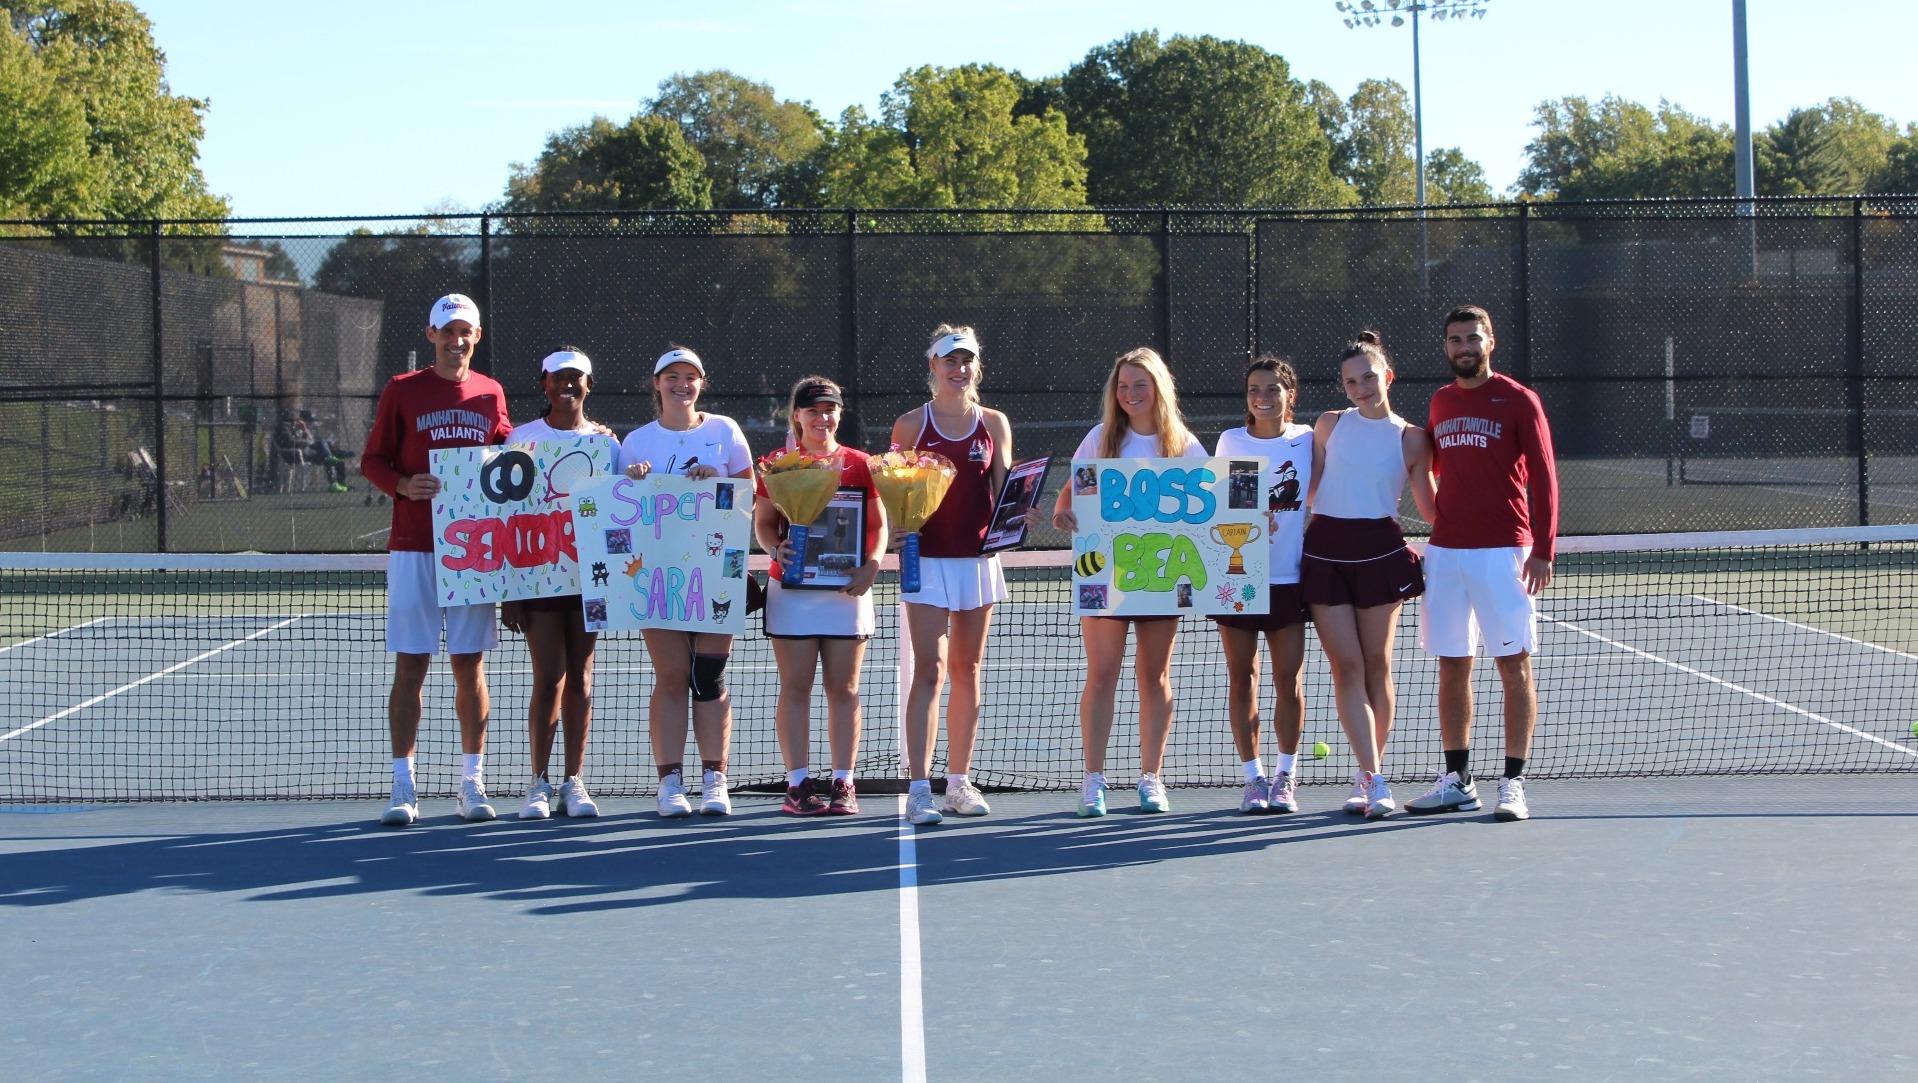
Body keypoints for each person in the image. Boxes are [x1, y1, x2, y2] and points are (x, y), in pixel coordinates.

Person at [361, 294, 512, 825]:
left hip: (473, 551)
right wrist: (402, 484)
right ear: (432, 335)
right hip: (413, 549)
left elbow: (513, 457)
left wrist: (581, 442)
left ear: (477, 335)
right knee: (412, 666)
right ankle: (403, 785)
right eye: (448, 331)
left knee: (470, 665)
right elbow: (371, 459)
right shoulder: (402, 391)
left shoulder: (491, 393)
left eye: (466, 330)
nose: (458, 339)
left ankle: (472, 782)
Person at [1405, 305, 1558, 822]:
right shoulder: (1441, 401)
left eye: (1472, 338)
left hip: (1504, 553)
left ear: (1490, 342)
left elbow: (1544, 476)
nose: (1463, 347)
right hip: (1446, 553)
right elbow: (1429, 465)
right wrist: (1431, 514)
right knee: (1452, 665)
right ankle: (1457, 778)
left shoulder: (1519, 400)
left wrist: (1543, 547)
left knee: (1512, 666)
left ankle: (1512, 783)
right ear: (1446, 347)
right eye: (1454, 340)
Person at [1050, 347, 1206, 817]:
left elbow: (1214, 502)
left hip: (1161, 577)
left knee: (1155, 676)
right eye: (1123, 386)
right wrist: (1061, 511)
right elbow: (1071, 490)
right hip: (1105, 575)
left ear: (1158, 388)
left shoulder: (1183, 445)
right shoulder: (1101, 439)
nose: (1131, 393)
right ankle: (1093, 781)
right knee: (1102, 675)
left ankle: (1150, 777)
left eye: (1140, 384)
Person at [888, 325, 1028, 827]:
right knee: (929, 670)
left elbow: (1005, 488)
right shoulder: (909, 425)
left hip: (977, 562)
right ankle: (920, 787)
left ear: (975, 366)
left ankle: (959, 783)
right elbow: (893, 493)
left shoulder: (994, 423)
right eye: (949, 360)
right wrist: (893, 536)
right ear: (934, 366)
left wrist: (1019, 515)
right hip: (925, 563)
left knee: (967, 671)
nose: (958, 369)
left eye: (966, 360)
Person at [1302, 332, 1436, 820]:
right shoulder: (1328, 425)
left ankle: (1369, 774)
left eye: (1369, 377)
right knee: (1347, 667)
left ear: (1388, 376)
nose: (1360, 387)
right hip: (1325, 553)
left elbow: (1432, 507)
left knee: (1378, 664)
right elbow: (1308, 490)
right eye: (1350, 381)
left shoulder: (1412, 437)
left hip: (1381, 552)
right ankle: (1373, 776)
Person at [621, 346, 755, 818]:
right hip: (657, 577)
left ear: (701, 383)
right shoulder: (635, 442)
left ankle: (715, 780)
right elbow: (621, 513)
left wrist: (714, 474)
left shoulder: (725, 431)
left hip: (717, 571)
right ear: (656, 383)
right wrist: (633, 480)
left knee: (709, 676)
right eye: (672, 376)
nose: (682, 385)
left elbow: (748, 494)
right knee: (672, 677)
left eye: (691, 377)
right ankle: (670, 784)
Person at [754, 376, 887, 816]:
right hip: (791, 589)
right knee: (795, 686)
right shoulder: (778, 464)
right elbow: (764, 523)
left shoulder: (862, 464)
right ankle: (797, 784)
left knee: (845, 688)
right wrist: (776, 549)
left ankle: (843, 782)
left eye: (829, 409)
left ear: (839, 414)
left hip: (846, 589)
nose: (822, 418)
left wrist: (872, 565)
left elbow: (880, 525)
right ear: (796, 416)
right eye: (812, 410)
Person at [499, 347, 617, 821]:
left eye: (577, 378)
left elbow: (619, 505)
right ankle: (538, 784)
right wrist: (509, 589)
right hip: (537, 576)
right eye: (558, 378)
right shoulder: (520, 438)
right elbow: (506, 512)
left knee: (582, 678)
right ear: (544, 384)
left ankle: (574, 781)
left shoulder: (607, 443)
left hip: (590, 577)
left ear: (589, 385)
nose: (568, 385)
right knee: (549, 675)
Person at [1212, 356, 1315, 815]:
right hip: (1238, 577)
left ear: (1289, 395)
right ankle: (1253, 779)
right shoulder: (1230, 441)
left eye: (1273, 389)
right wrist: (1249, 519)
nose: (1263, 397)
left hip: (1290, 578)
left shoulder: (1309, 440)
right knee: (1242, 678)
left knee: (1288, 679)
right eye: (1255, 389)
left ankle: (1285, 775)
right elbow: (1219, 504)